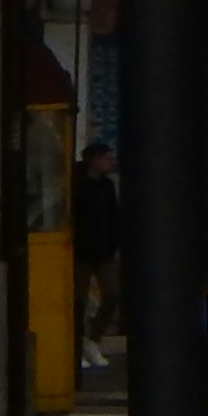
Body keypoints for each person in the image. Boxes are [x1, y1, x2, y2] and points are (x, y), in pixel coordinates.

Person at [72, 141, 125, 353]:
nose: (110, 163)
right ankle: (76, 342)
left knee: (112, 293)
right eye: (106, 158)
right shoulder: (77, 184)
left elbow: (113, 215)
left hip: (104, 250)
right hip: (81, 251)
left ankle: (93, 335)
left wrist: (114, 242)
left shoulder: (107, 186)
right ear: (94, 160)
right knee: (78, 299)